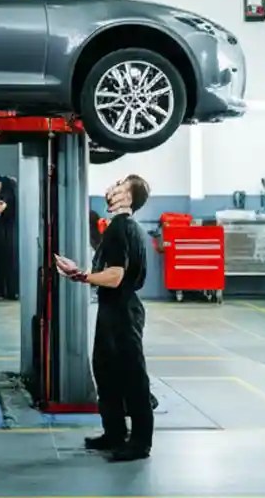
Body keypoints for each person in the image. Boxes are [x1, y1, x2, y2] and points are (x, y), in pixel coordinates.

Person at [56, 175, 153, 462]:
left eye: (121, 187)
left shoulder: (123, 229)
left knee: (132, 377)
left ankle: (139, 442)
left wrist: (79, 275)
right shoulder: (117, 228)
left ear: (129, 199)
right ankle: (114, 433)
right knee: (106, 371)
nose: (113, 189)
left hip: (123, 310)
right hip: (112, 308)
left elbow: (115, 276)